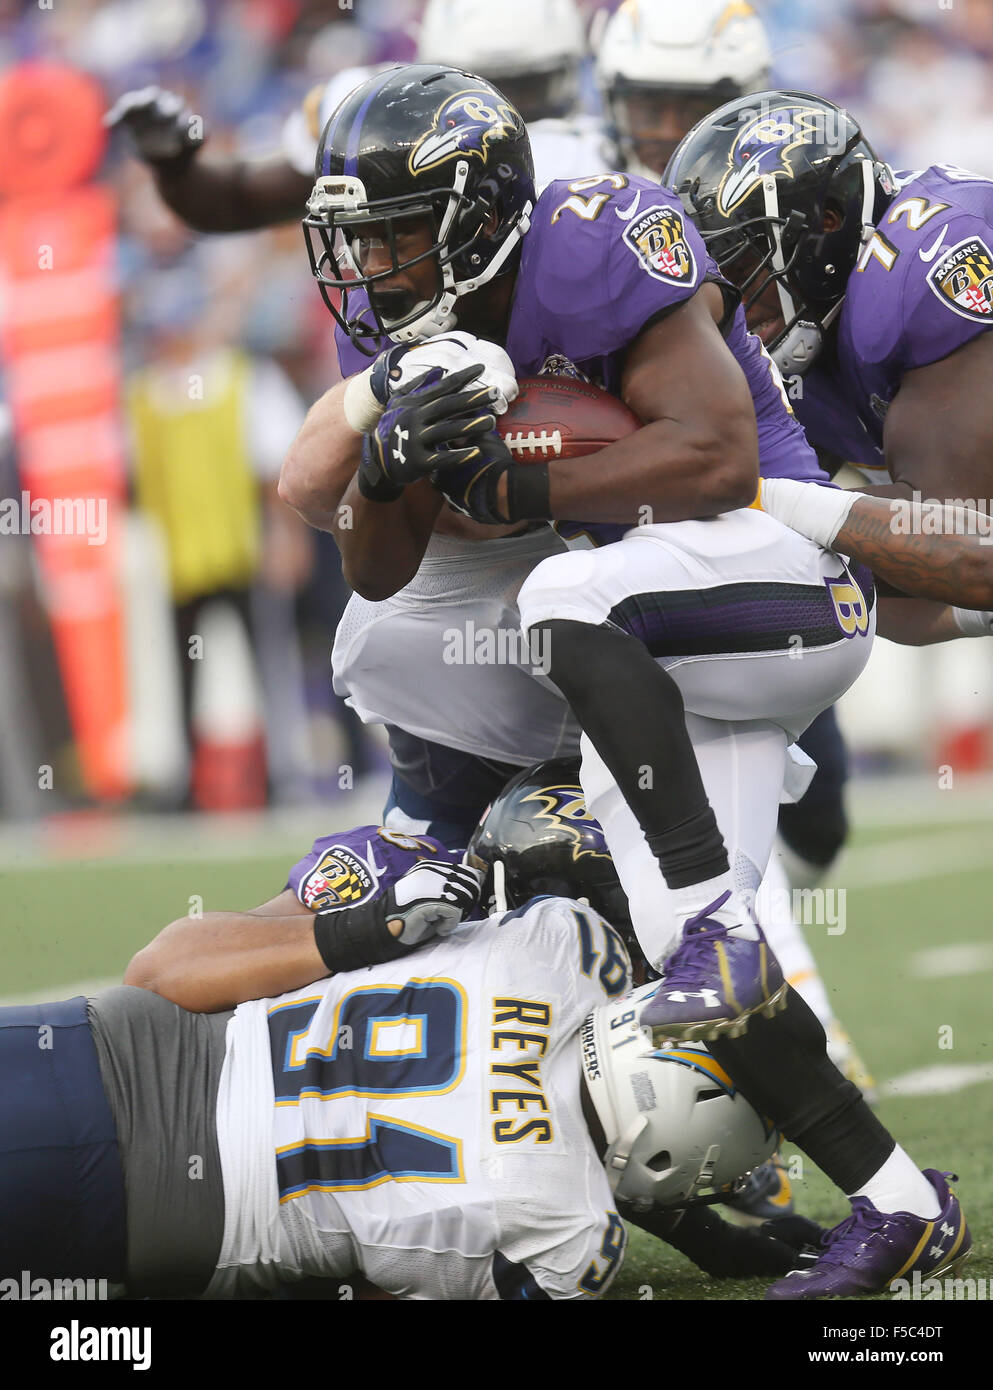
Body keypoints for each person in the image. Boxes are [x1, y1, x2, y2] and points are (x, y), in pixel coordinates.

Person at [279, 63, 975, 1298]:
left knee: (562, 595)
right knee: (696, 972)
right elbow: (379, 579)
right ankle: (901, 1203)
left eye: (393, 237)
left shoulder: (595, 243)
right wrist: (381, 476)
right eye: (358, 243)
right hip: (672, 653)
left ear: (476, 213)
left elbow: (712, 459)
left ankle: (706, 921)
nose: (372, 271)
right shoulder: (405, 327)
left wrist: (527, 489)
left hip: (785, 576)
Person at [0, 767, 821, 1300]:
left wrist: (368, 934)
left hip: (92, 1049)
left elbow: (569, 1087)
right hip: (157, 1214)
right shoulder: (570, 1237)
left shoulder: (555, 946)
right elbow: (571, 1127)